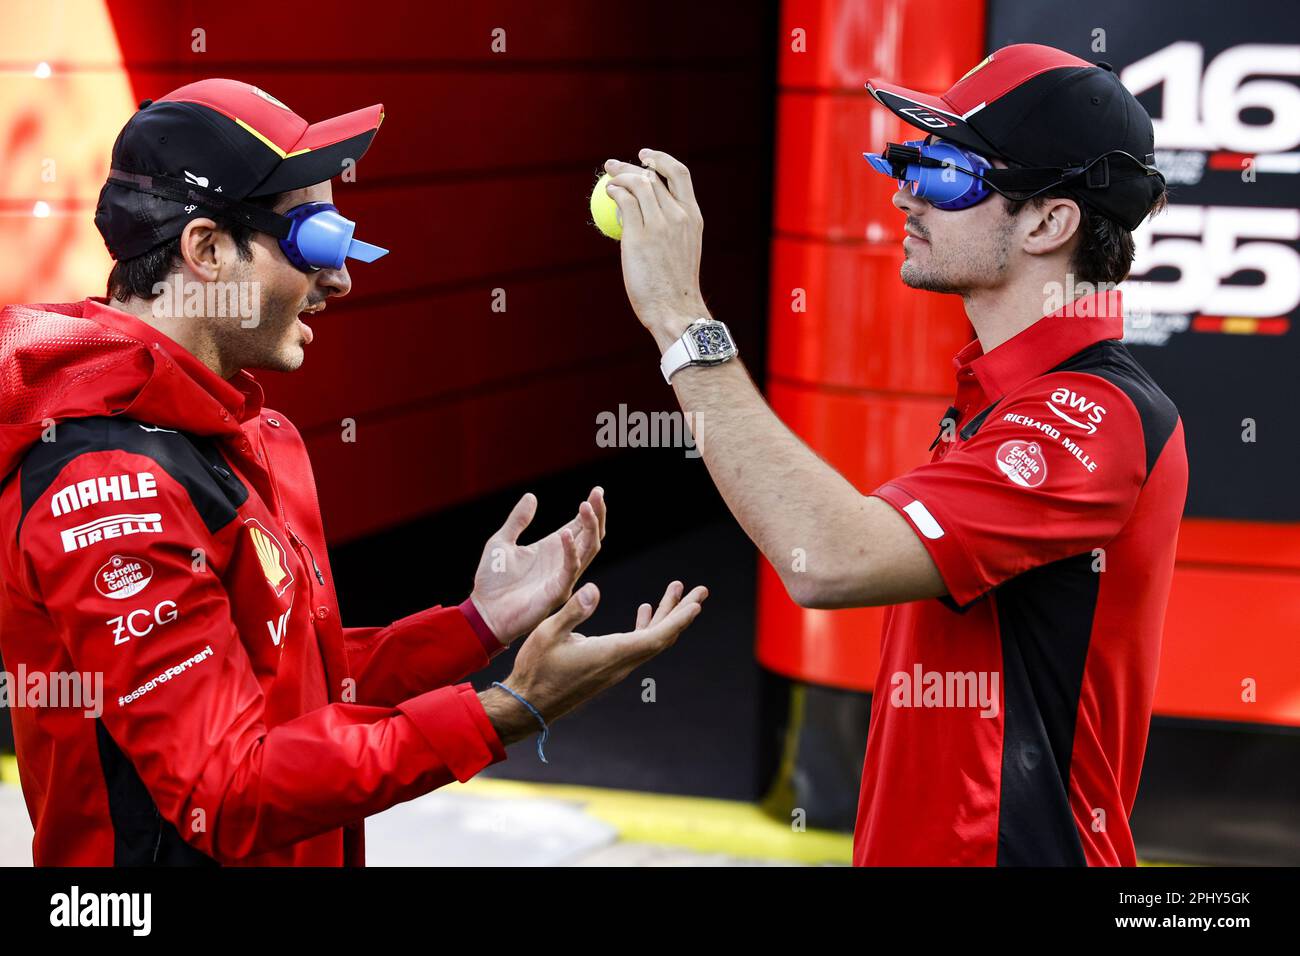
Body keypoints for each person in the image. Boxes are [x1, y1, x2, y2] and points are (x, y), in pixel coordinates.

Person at [0, 79, 707, 866]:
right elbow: (227, 791)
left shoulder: (254, 430)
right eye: (316, 243)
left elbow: (298, 690)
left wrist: (475, 625)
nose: (340, 279)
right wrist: (503, 714)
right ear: (205, 249)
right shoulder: (104, 483)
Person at [602, 43, 1186, 866]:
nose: (906, 195)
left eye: (947, 174)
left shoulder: (1091, 415)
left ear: (1052, 222)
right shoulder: (1008, 398)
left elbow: (828, 559)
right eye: (906, 162)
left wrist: (680, 319)